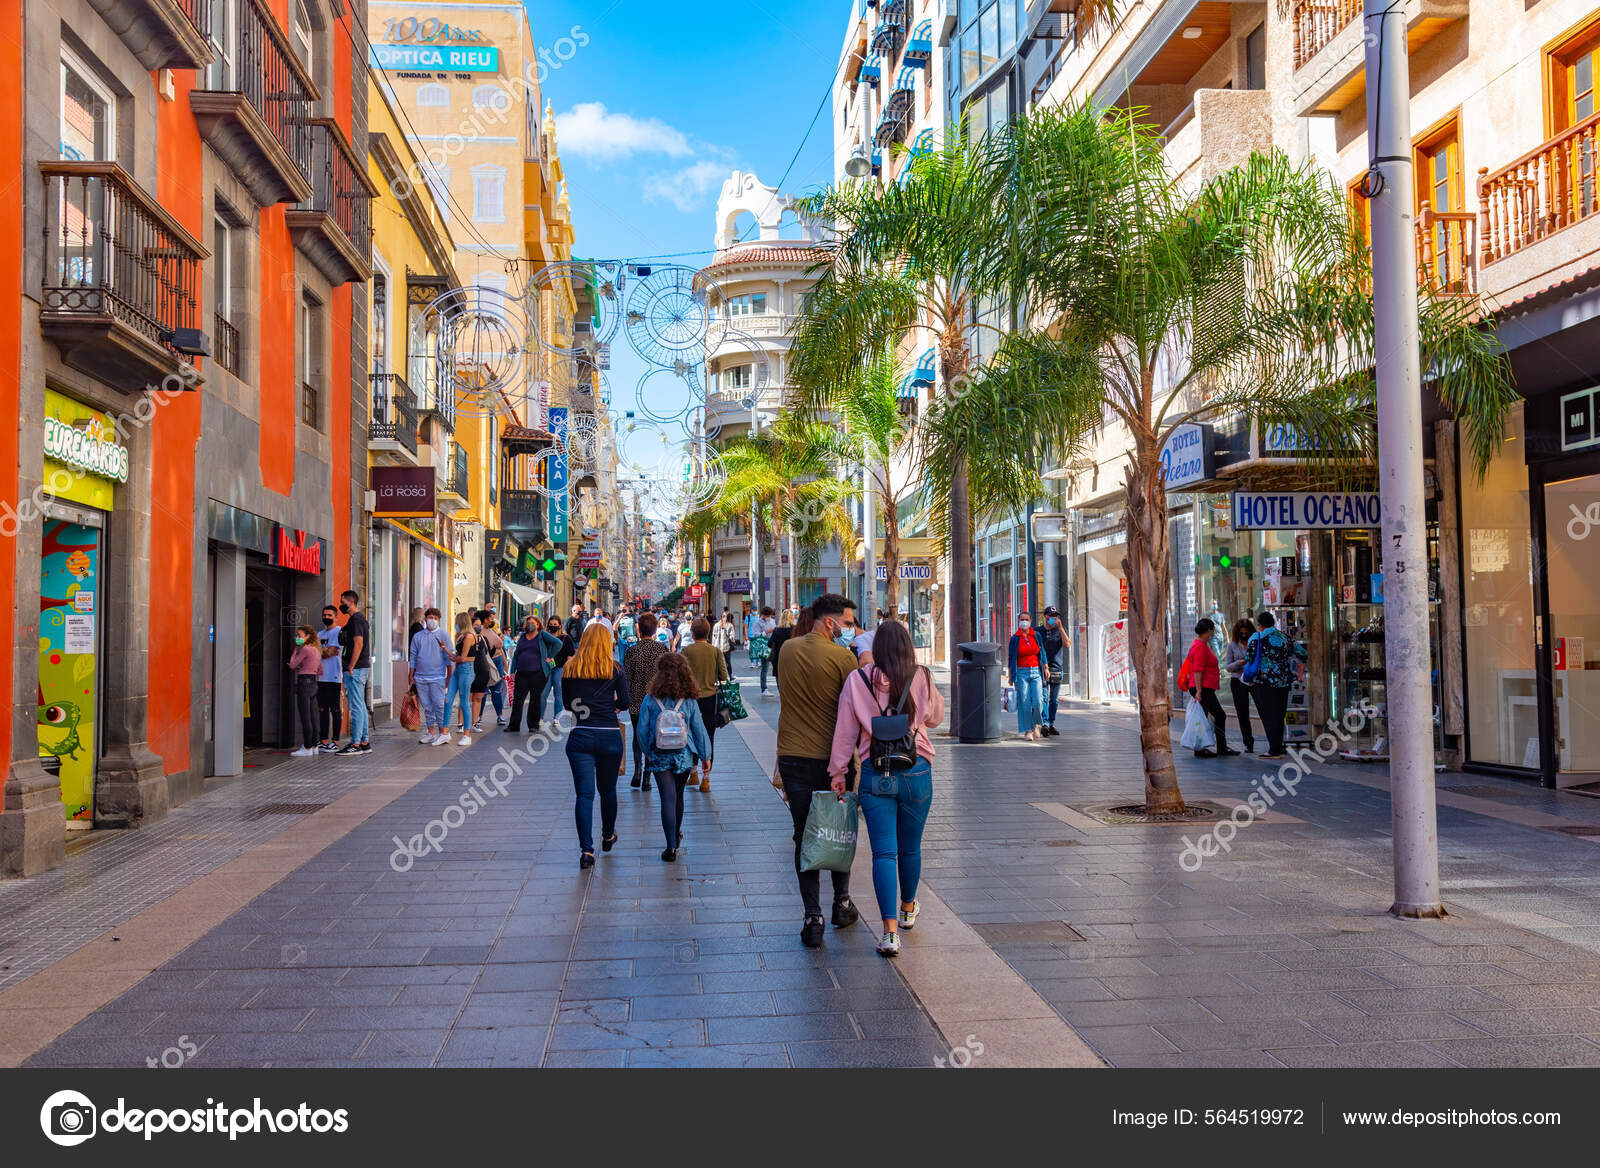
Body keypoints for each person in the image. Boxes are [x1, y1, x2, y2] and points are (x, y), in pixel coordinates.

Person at [829, 620, 944, 956]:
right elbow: (935, 718)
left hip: (875, 774)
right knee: (911, 848)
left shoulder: (857, 679)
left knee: (883, 852)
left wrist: (838, 773)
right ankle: (909, 908)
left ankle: (889, 933)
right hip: (916, 770)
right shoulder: (920, 675)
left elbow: (845, 733)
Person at [775, 592, 862, 948]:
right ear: (830, 623)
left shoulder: (787, 650)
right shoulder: (844, 659)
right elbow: (856, 708)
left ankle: (813, 917)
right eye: (847, 623)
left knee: (804, 834)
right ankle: (841, 903)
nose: (851, 630)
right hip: (834, 761)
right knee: (839, 830)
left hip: (793, 755)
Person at [561, 623, 630, 869]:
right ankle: (608, 835)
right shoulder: (615, 669)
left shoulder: (570, 668)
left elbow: (568, 704)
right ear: (607, 643)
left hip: (580, 736)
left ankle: (587, 851)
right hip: (609, 735)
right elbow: (625, 701)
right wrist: (609, 705)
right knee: (608, 790)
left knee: (584, 794)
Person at [636, 653, 713, 862]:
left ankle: (670, 846)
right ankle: (676, 833)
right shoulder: (688, 699)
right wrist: (706, 756)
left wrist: (648, 752)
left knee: (666, 799)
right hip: (684, 755)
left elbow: (641, 730)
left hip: (659, 755)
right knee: (678, 796)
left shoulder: (650, 698)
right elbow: (699, 729)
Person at [1246, 611, 1306, 759]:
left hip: (1264, 682)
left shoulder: (1256, 638)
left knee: (1268, 715)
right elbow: (1302, 654)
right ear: (1273, 623)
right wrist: (1300, 673)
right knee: (1279, 714)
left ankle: (1274, 749)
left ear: (1259, 625)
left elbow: (1249, 657)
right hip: (1284, 681)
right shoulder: (1285, 637)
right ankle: (1278, 747)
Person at [680, 617, 729, 791]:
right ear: (708, 633)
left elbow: (681, 676)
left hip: (691, 699)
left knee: (691, 735)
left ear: (692, 633)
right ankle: (706, 778)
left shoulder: (686, 651)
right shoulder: (715, 651)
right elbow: (724, 677)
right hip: (711, 698)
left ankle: (693, 772)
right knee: (708, 736)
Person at [624, 612, 670, 791]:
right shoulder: (661, 650)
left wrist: (622, 699)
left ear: (639, 630)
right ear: (655, 629)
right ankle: (647, 777)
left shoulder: (631, 651)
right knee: (653, 736)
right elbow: (667, 676)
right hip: (657, 701)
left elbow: (626, 678)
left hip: (636, 701)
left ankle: (637, 770)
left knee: (637, 735)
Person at [1180, 618, 1237, 758]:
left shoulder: (1200, 644)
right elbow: (1198, 670)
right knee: (1218, 715)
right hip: (1202, 687)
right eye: (1213, 629)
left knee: (1205, 716)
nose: (1213, 632)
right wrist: (1199, 691)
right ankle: (1216, 748)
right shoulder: (1200, 646)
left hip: (1203, 687)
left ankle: (1203, 748)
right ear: (1209, 630)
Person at [505, 613, 562, 733]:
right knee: (518, 699)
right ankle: (514, 725)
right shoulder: (523, 637)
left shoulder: (542, 635)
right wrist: (512, 671)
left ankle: (533, 725)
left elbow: (558, 643)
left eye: (533, 623)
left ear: (538, 624)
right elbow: (516, 655)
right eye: (528, 622)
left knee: (535, 699)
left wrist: (549, 656)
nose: (530, 624)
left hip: (538, 673)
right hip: (521, 673)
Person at [409, 608, 452, 745]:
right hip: (420, 677)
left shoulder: (444, 635)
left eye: (435, 617)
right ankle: (431, 732)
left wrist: (449, 676)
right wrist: (411, 674)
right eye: (429, 617)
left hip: (437, 676)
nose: (432, 620)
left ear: (439, 619)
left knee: (439, 705)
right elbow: (413, 656)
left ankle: (444, 732)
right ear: (425, 619)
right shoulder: (418, 636)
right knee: (427, 707)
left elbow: (449, 657)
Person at [337, 589, 371, 754]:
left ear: (351, 602)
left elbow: (358, 643)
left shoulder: (356, 620)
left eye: (342, 602)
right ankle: (364, 741)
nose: (340, 605)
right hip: (361, 667)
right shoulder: (360, 619)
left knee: (356, 706)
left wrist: (351, 665)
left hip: (356, 669)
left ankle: (355, 744)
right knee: (361, 704)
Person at [1007, 612, 1045, 741]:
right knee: (1024, 702)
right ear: (1018, 621)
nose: (1024, 622)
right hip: (1021, 673)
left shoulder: (1036, 636)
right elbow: (1011, 657)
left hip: (1036, 672)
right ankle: (1028, 730)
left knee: (1038, 701)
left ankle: (1035, 725)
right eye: (1022, 619)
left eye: (1026, 619)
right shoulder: (1015, 638)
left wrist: (1046, 667)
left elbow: (1042, 651)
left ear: (1031, 621)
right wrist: (1011, 676)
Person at [1224, 618, 1259, 754]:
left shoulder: (1255, 643)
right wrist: (1240, 662)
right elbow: (1228, 667)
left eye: (1246, 633)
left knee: (1263, 709)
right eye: (1241, 633)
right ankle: (1248, 742)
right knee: (1242, 713)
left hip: (1254, 680)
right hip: (1238, 681)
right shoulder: (1232, 645)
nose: (1244, 636)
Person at [444, 612, 479, 746]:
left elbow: (463, 658)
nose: (455, 624)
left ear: (462, 622)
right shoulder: (460, 637)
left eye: (457, 621)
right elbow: (457, 656)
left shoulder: (469, 636)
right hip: (458, 669)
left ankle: (467, 734)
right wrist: (446, 650)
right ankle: (445, 733)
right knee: (447, 700)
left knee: (464, 702)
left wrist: (454, 658)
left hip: (466, 670)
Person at [288, 625, 322, 757]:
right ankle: (314, 745)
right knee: (314, 717)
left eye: (299, 636)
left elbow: (292, 664)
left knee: (305, 717)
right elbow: (320, 670)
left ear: (307, 636)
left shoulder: (305, 649)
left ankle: (307, 748)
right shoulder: (316, 650)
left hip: (304, 683)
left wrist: (296, 650)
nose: (297, 638)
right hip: (314, 683)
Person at [1038, 606, 1070, 738]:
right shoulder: (1038, 631)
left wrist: (1061, 628)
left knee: (1054, 700)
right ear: (1045, 617)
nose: (1053, 619)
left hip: (1057, 668)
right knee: (1044, 697)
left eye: (1055, 616)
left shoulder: (1060, 630)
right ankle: (1044, 723)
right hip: (1042, 669)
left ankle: (1051, 723)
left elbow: (1067, 644)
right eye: (1051, 616)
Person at [315, 604, 343, 752]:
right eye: (324, 615)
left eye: (329, 615)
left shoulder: (338, 632)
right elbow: (316, 652)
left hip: (334, 677)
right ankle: (324, 741)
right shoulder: (319, 635)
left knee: (335, 710)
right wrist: (322, 651)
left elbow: (331, 652)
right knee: (322, 710)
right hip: (320, 678)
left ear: (336, 617)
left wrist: (320, 651)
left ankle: (336, 742)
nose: (326, 617)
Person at [541, 615, 576, 724]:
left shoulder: (566, 638)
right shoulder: (545, 637)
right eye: (551, 625)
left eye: (555, 625)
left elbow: (570, 656)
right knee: (543, 694)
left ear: (560, 625)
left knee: (558, 694)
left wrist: (566, 670)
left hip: (559, 669)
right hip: (547, 669)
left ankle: (556, 717)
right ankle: (540, 717)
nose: (553, 627)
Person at [467, 611, 494, 733]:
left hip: (483, 672)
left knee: (478, 697)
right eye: (476, 625)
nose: (479, 627)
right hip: (469, 671)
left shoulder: (483, 638)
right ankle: (462, 724)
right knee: (467, 698)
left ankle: (475, 723)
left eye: (479, 625)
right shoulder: (465, 638)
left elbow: (489, 654)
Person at [768, 607, 800, 692]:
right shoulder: (795, 630)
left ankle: (782, 694)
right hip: (793, 658)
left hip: (779, 658)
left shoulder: (777, 630)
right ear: (792, 618)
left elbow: (770, 644)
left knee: (779, 680)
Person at [712, 610, 737, 678]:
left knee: (718, 662)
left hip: (718, 647)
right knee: (727, 662)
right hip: (726, 647)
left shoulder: (716, 625)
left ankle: (716, 676)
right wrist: (734, 645)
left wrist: (713, 646)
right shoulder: (729, 625)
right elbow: (732, 637)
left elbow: (713, 637)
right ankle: (730, 676)